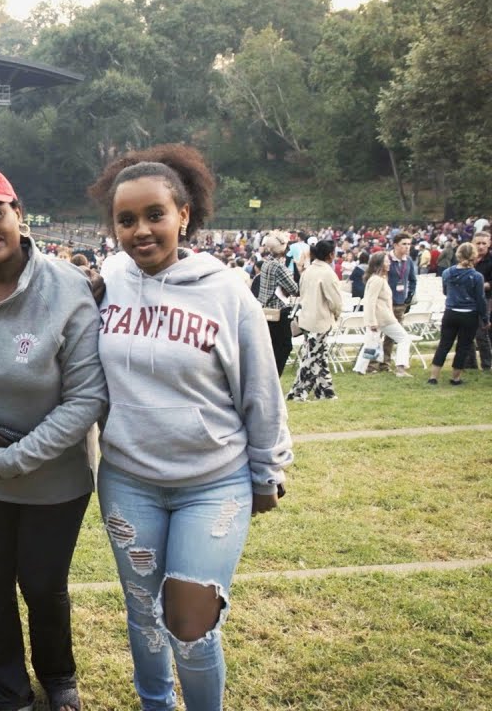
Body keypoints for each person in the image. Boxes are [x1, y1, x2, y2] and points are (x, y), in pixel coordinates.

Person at [88, 145, 291, 711]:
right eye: (125, 219)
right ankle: (156, 704)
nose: (140, 230)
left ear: (183, 214)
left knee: (190, 621)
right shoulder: (108, 281)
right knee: (144, 614)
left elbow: (261, 389)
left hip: (213, 483)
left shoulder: (226, 291)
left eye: (155, 214)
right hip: (129, 481)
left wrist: (266, 470)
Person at [0, 167, 106, 711]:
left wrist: (13, 459)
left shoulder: (67, 288)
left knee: (41, 585)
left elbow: (86, 400)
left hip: (53, 478)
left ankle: (58, 678)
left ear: (18, 212)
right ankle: (7, 688)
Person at [287, 240, 343, 401]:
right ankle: (298, 393)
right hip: (320, 320)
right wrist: (337, 314)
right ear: (331, 255)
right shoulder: (327, 273)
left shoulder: (308, 270)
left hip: (306, 319)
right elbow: (336, 301)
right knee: (312, 358)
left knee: (318, 356)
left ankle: (325, 391)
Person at [427, 242, 488, 386]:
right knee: (463, 346)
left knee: (444, 344)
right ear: (474, 256)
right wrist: (485, 318)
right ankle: (455, 377)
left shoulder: (447, 272)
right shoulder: (477, 276)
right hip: (469, 314)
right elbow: (480, 299)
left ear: (458, 254)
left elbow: (445, 291)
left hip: (450, 312)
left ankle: (433, 376)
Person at [356, 252, 413, 377]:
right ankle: (400, 368)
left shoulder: (378, 279)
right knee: (404, 339)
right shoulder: (377, 280)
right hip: (383, 318)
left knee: (371, 343)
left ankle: (361, 368)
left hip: (380, 317)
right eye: (386, 261)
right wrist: (372, 322)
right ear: (380, 264)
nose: (389, 263)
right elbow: (370, 301)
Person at [255, 233, 299, 375]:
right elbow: (294, 288)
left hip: (266, 310)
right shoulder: (278, 266)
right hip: (278, 312)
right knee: (284, 347)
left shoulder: (267, 263)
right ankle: (273, 377)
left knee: (271, 347)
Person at [374, 233, 417, 373]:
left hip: (399, 303)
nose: (407, 247)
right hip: (384, 304)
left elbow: (413, 279)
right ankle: (371, 363)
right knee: (376, 334)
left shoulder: (408, 260)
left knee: (392, 337)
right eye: (404, 244)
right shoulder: (386, 260)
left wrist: (409, 296)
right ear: (396, 245)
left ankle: (386, 363)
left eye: (409, 244)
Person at [467, 230, 492, 370]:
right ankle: (470, 364)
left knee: (482, 332)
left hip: (486, 298)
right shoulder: (467, 259)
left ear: (489, 244)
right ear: (472, 243)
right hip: (467, 300)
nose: (481, 246)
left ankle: (487, 364)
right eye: (478, 243)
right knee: (466, 332)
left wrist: (481, 285)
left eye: (484, 243)